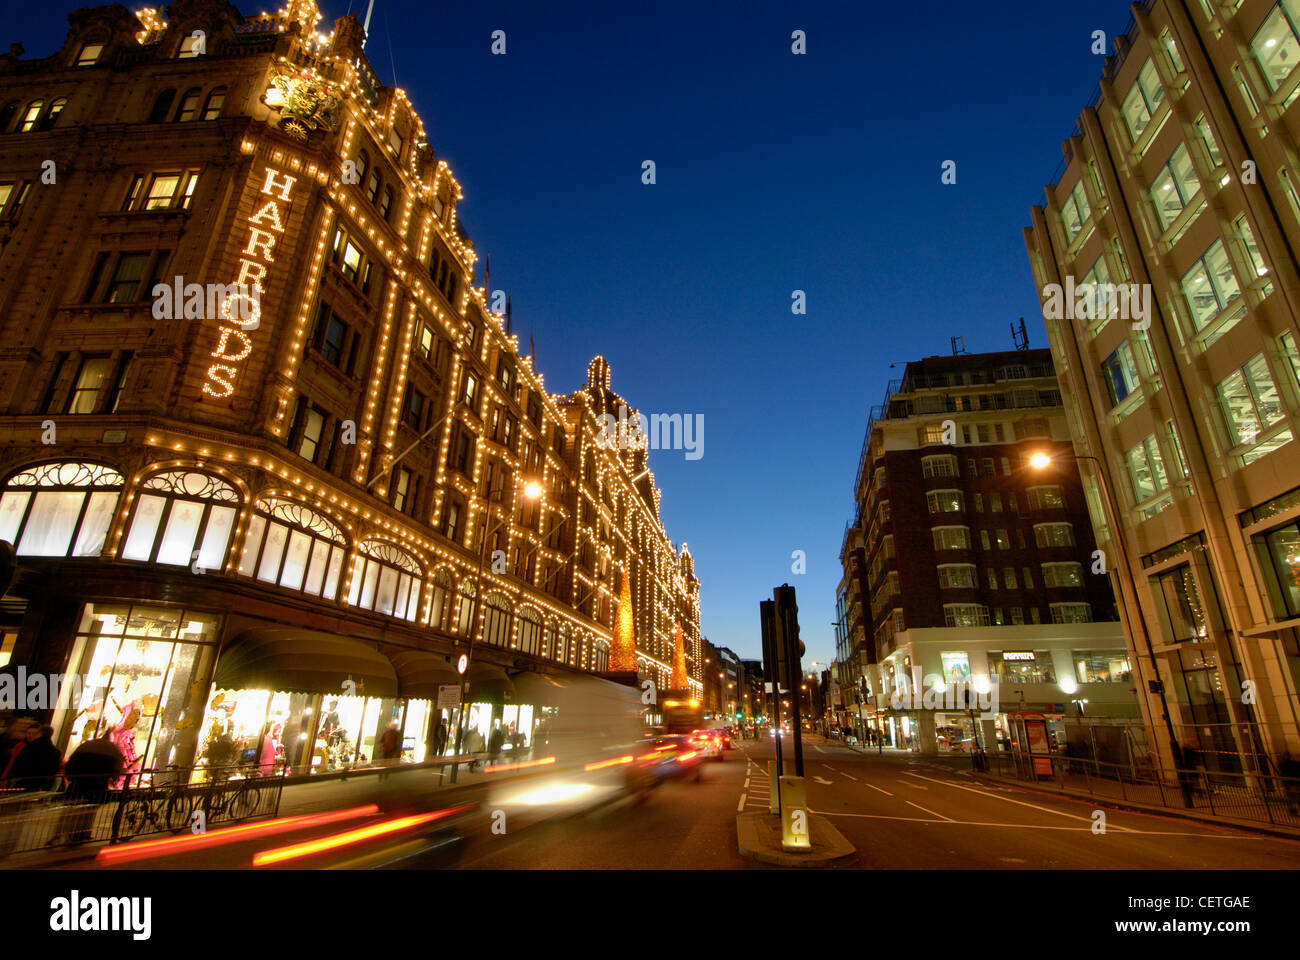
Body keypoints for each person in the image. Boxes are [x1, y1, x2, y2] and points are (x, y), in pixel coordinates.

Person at [57, 735, 124, 844]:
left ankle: (61, 833)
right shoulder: (112, 750)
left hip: (79, 782)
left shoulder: (86, 746)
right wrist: (114, 778)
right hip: (97, 784)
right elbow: (117, 766)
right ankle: (82, 833)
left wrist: (70, 776)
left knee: (71, 809)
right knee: (90, 810)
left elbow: (72, 762)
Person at [3, 724, 61, 791]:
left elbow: (18, 764)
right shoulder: (55, 751)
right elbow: (55, 769)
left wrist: (11, 779)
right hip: (41, 785)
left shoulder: (31, 747)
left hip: (24, 781)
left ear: (40, 733)